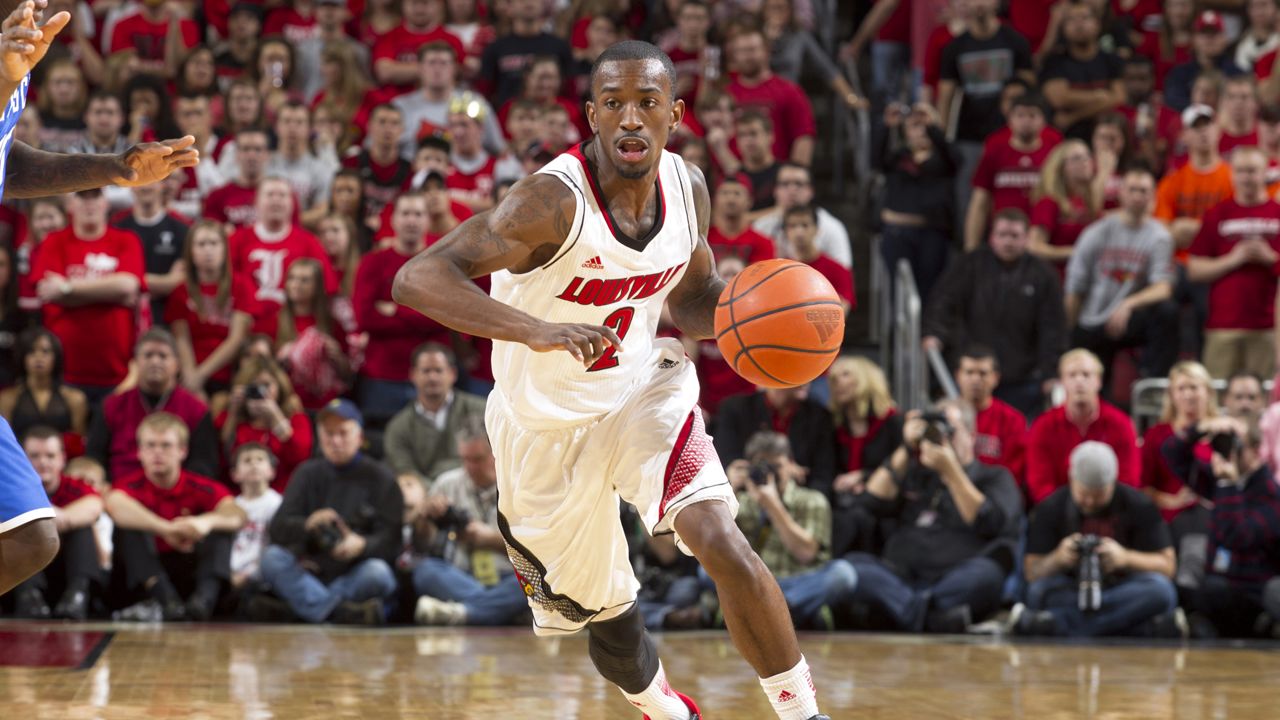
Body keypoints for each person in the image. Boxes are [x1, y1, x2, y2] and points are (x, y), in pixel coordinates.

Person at [394, 41, 830, 720]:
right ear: (591, 115)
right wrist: (533, 329)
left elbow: (689, 298)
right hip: (541, 428)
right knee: (613, 628)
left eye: (647, 104)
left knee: (720, 537)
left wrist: (750, 312)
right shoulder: (548, 203)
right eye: (616, 104)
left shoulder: (688, 190)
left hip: (638, 393)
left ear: (675, 114)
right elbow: (417, 277)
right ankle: (664, 708)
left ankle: (804, 713)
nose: (631, 119)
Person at [844, 402, 1023, 633]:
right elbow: (871, 501)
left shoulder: (994, 476)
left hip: (955, 579)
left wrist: (951, 471)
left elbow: (989, 522)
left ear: (971, 434)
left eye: (950, 430)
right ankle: (928, 618)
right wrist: (907, 447)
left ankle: (906, 612)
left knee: (988, 576)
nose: (942, 438)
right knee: (853, 565)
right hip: (903, 577)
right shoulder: (919, 472)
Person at [257, 400, 403, 625]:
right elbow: (278, 529)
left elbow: (393, 540)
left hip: (355, 571)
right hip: (312, 570)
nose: (335, 441)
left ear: (360, 437)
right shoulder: (306, 473)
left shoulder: (381, 478)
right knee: (271, 559)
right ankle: (338, 612)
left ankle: (302, 609)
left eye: (343, 433)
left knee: (378, 573)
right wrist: (307, 525)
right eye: (328, 434)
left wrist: (362, 545)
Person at [1017, 442, 1179, 637]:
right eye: (1084, 495)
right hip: (1072, 589)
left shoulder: (1139, 505)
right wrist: (1058, 558)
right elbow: (1031, 571)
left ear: (1113, 482)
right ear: (1071, 478)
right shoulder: (1050, 507)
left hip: (1122, 586)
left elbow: (1168, 566)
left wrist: (1126, 558)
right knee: (1037, 592)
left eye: (1099, 495)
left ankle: (1058, 625)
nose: (1091, 502)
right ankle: (1141, 630)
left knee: (1162, 591)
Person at [924, 209, 1068, 418]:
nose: (1007, 242)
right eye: (1002, 235)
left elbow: (1054, 327)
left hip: (1023, 376)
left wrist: (1051, 372)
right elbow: (943, 302)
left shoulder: (1044, 274)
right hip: (974, 369)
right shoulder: (969, 264)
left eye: (1015, 236)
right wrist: (933, 333)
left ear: (1027, 238)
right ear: (992, 237)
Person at [106, 413, 245, 621]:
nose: (157, 453)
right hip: (146, 577)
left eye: (166, 446)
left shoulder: (199, 485)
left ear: (183, 451)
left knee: (220, 529)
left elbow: (237, 515)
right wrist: (166, 529)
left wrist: (204, 522)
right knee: (128, 528)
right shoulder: (129, 486)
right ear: (140, 452)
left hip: (190, 571)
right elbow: (114, 504)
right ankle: (165, 599)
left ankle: (204, 601)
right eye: (150, 446)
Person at [720, 432, 857, 630]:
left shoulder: (812, 500)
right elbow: (720, 547)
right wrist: (729, 489)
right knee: (705, 570)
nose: (771, 474)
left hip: (802, 581)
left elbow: (806, 554)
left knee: (843, 574)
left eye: (776, 467)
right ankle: (785, 613)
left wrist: (773, 505)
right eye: (763, 468)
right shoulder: (740, 503)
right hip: (756, 584)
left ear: (792, 465)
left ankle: (769, 612)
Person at [1163, 415, 1280, 637]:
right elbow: (1172, 453)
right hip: (1219, 586)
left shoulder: (1271, 496)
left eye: (1236, 444)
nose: (1227, 451)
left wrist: (1228, 484)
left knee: (1210, 590)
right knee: (1176, 590)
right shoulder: (1222, 479)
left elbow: (1236, 536)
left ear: (1256, 450)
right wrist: (1200, 428)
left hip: (1253, 595)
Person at [1064, 167, 1178, 386]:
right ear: (1121, 193)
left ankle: (1154, 384)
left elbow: (1163, 287)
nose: (1137, 196)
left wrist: (1128, 304)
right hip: (1093, 317)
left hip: (1130, 319)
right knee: (1091, 374)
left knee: (1167, 311)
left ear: (1153, 196)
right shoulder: (1096, 232)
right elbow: (1075, 287)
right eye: (1132, 190)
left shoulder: (1160, 236)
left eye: (1143, 191)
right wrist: (1068, 334)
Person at [411, 418, 530, 626]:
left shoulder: (523, 486)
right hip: (461, 576)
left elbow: (538, 553)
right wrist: (424, 517)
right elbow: (422, 544)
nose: (470, 467)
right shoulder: (447, 483)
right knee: (425, 570)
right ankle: (498, 610)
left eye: (477, 459)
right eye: (464, 459)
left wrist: (492, 540)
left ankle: (464, 613)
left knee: (534, 582)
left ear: (496, 453)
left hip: (509, 575)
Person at [33, 188, 145, 401]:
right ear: (69, 205)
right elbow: (48, 291)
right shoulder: (54, 242)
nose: (89, 203)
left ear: (106, 203)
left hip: (117, 373)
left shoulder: (126, 240)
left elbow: (128, 286)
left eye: (95, 196)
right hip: (64, 372)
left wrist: (68, 289)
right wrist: (109, 292)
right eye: (82, 197)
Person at [353, 193, 454, 423]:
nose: (411, 220)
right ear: (393, 220)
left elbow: (446, 316)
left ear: (428, 220)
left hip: (434, 376)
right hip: (383, 377)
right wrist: (424, 311)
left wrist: (396, 310)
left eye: (418, 214)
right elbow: (365, 318)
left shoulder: (442, 263)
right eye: (405, 214)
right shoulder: (372, 263)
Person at [1188, 147, 1280, 379]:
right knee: (1217, 396)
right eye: (1240, 171)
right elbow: (1194, 269)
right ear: (1232, 174)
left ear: (1265, 173)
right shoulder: (1217, 214)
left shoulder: (1277, 213)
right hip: (1223, 326)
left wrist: (1271, 259)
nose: (1247, 177)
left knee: (1264, 399)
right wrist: (1232, 260)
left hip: (1269, 328)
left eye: (1252, 171)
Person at [87, 329, 220, 482]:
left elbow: (204, 464)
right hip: (120, 492)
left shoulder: (197, 410)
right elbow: (94, 458)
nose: (155, 361)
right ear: (135, 363)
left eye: (163, 356)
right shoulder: (110, 406)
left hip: (176, 493)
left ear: (176, 364)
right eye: (148, 355)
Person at [9, 427, 102, 620]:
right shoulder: (12, 489)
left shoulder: (75, 486)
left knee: (82, 527)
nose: (43, 462)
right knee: (19, 530)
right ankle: (30, 597)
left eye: (50, 455)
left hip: (66, 570)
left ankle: (77, 595)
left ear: (62, 458)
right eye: (35, 455)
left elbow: (94, 505)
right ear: (22, 459)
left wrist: (51, 518)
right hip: (22, 579)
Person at [1026, 349, 1141, 505]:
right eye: (1072, 375)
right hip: (1058, 511)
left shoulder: (1121, 424)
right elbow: (1039, 483)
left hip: (1110, 509)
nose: (1079, 381)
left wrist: (1100, 504)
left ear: (1099, 381)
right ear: (1062, 382)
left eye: (1086, 374)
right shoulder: (1043, 426)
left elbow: (1129, 479)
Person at [166, 222, 258, 398]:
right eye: (201, 244)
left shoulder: (241, 286)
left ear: (225, 249)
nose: (208, 250)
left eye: (214, 243)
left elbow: (236, 338)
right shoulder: (181, 291)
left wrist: (201, 375)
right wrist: (191, 377)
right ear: (190, 252)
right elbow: (181, 338)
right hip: (190, 370)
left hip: (230, 373)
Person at [876, 101, 955, 301]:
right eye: (914, 125)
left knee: (930, 290)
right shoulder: (898, 157)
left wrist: (932, 127)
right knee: (898, 292)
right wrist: (887, 126)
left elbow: (953, 160)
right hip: (897, 231)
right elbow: (876, 160)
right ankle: (897, 333)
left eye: (924, 125)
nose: (920, 130)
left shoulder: (944, 159)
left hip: (932, 233)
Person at [384, 343, 487, 487]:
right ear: (413, 375)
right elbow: (405, 470)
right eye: (426, 371)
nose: (432, 377)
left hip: (479, 486)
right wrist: (437, 492)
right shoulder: (398, 426)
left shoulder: (482, 410)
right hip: (428, 499)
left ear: (453, 374)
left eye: (438, 370)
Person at [965, 94, 1059, 251]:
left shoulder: (1054, 147)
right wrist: (971, 247)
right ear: (1010, 119)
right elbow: (980, 201)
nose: (1026, 121)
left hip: (1044, 237)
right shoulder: (995, 147)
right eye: (1020, 115)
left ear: (1044, 121)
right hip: (1003, 236)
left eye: (1032, 115)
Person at [714, 385, 837, 500]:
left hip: (797, 501)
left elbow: (823, 478)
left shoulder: (819, 416)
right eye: (796, 369)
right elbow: (727, 462)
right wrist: (778, 468)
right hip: (746, 497)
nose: (806, 380)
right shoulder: (735, 409)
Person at [217, 355, 314, 493]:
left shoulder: (296, 419)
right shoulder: (229, 419)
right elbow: (222, 460)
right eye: (253, 386)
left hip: (285, 495)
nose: (261, 391)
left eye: (266, 385)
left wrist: (275, 416)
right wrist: (233, 414)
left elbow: (300, 457)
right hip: (240, 497)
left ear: (279, 386)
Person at [724, 25, 816, 167]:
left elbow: (803, 136)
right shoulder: (725, 93)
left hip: (776, 179)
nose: (747, 56)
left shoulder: (789, 91)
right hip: (733, 181)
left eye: (752, 50)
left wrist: (795, 177)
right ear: (734, 55)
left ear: (766, 51)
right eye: (741, 51)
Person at [1040, 0, 1126, 141]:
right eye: (1071, 20)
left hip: (1107, 136)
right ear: (1064, 28)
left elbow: (1119, 98)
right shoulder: (1055, 61)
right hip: (1067, 139)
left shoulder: (1112, 60)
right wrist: (1099, 96)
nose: (1078, 24)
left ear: (1098, 25)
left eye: (1085, 18)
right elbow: (1058, 99)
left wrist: (1073, 117)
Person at [955, 346, 1027, 493]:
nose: (975, 379)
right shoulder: (946, 415)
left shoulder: (1013, 420)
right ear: (958, 376)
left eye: (983, 373)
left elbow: (1013, 475)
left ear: (995, 378)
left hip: (996, 498)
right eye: (969, 372)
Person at [0, 328, 88, 444]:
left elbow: (79, 442)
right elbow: (6, 442)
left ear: (56, 356)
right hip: (20, 459)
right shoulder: (7, 398)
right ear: (23, 357)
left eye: (45, 351)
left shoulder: (75, 398)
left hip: (60, 459)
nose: (38, 357)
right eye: (31, 351)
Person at [228, 443, 283, 592]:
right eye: (247, 460)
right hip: (230, 576)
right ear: (235, 474)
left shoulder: (278, 504)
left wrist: (249, 574)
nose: (254, 463)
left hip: (263, 577)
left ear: (272, 472)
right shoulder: (230, 505)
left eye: (260, 459)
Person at [707, 174, 775, 265]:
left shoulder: (763, 242)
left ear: (749, 201)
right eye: (725, 193)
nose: (730, 199)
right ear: (715, 200)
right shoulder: (705, 240)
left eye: (737, 193)